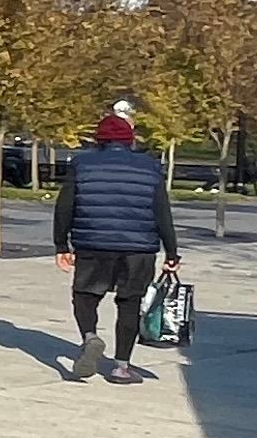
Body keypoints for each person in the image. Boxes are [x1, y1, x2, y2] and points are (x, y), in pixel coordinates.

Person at [51, 109, 181, 384]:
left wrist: (61, 244)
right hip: (139, 248)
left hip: (93, 243)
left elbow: (65, 206)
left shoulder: (83, 164)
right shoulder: (150, 166)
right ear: (130, 139)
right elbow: (161, 211)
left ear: (98, 140)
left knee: (85, 294)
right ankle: (121, 367)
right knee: (130, 303)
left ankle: (90, 337)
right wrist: (172, 251)